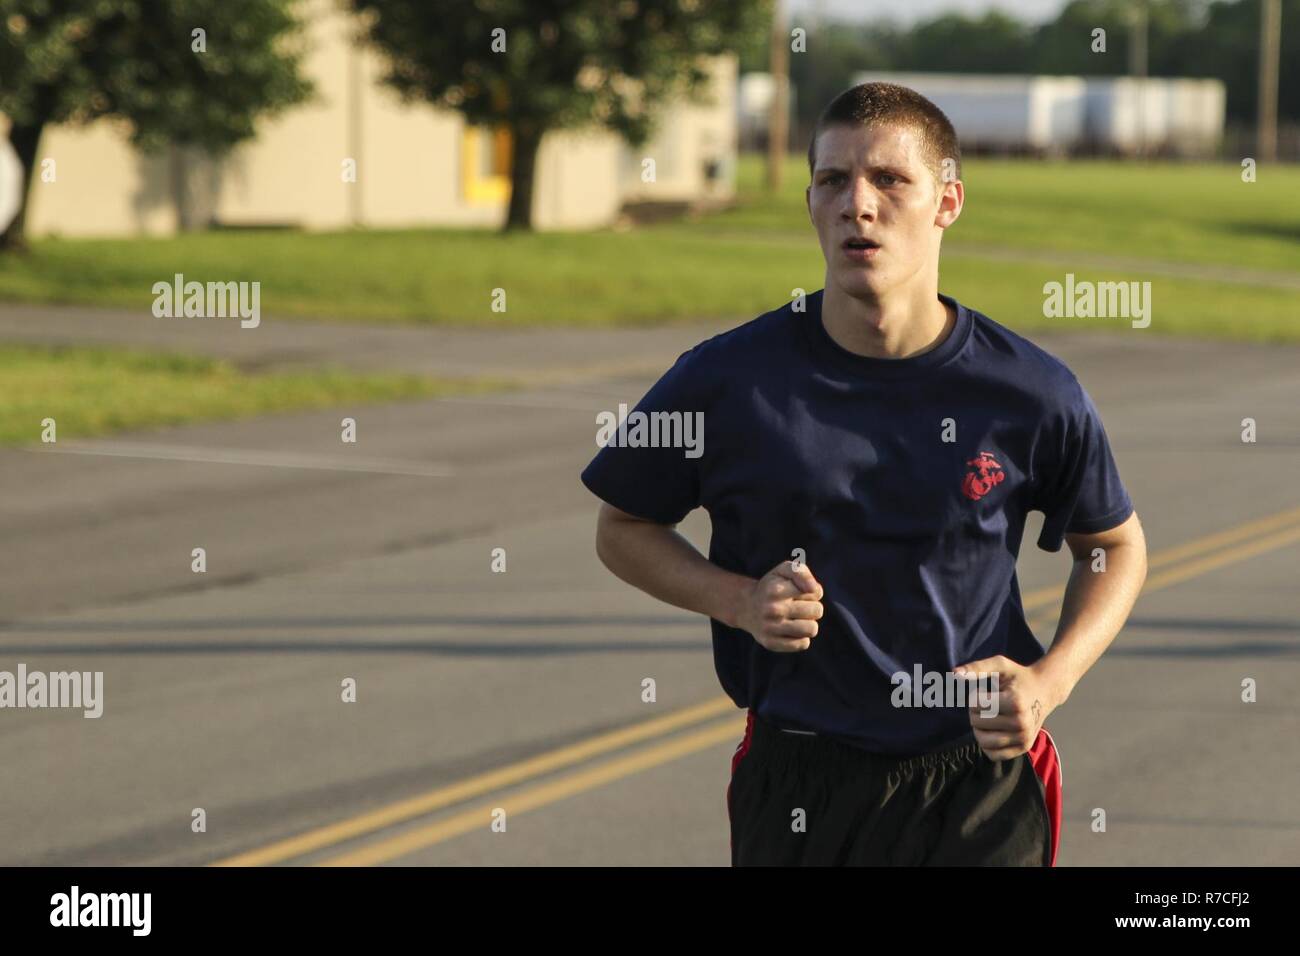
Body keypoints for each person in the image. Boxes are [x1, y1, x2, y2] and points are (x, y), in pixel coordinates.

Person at [580, 82, 1148, 866]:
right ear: (810, 201)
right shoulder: (728, 381)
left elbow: (1113, 546)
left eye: (890, 179)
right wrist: (740, 600)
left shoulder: (1029, 391)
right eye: (832, 181)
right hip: (802, 776)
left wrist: (1050, 680)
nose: (859, 203)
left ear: (947, 201)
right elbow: (623, 526)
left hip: (976, 782)